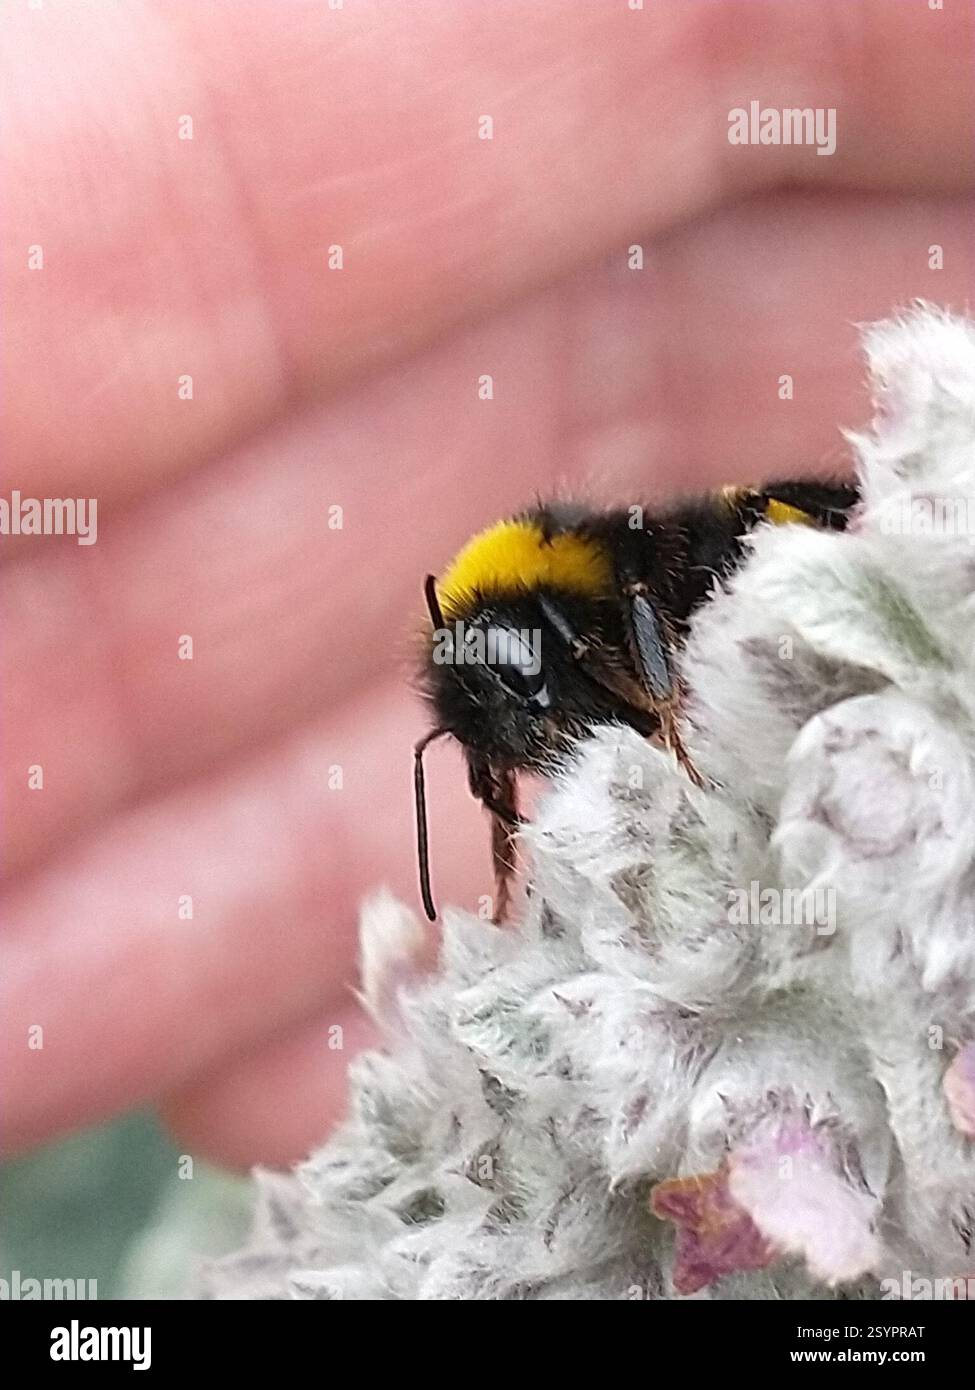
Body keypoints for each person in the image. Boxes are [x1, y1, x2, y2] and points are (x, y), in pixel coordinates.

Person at [2, 0, 972, 1168]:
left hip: (757, 542)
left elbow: (635, 586)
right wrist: (510, 866)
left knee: (758, 520)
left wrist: (667, 717)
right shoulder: (508, 656)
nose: (524, 734)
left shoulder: (588, 580)